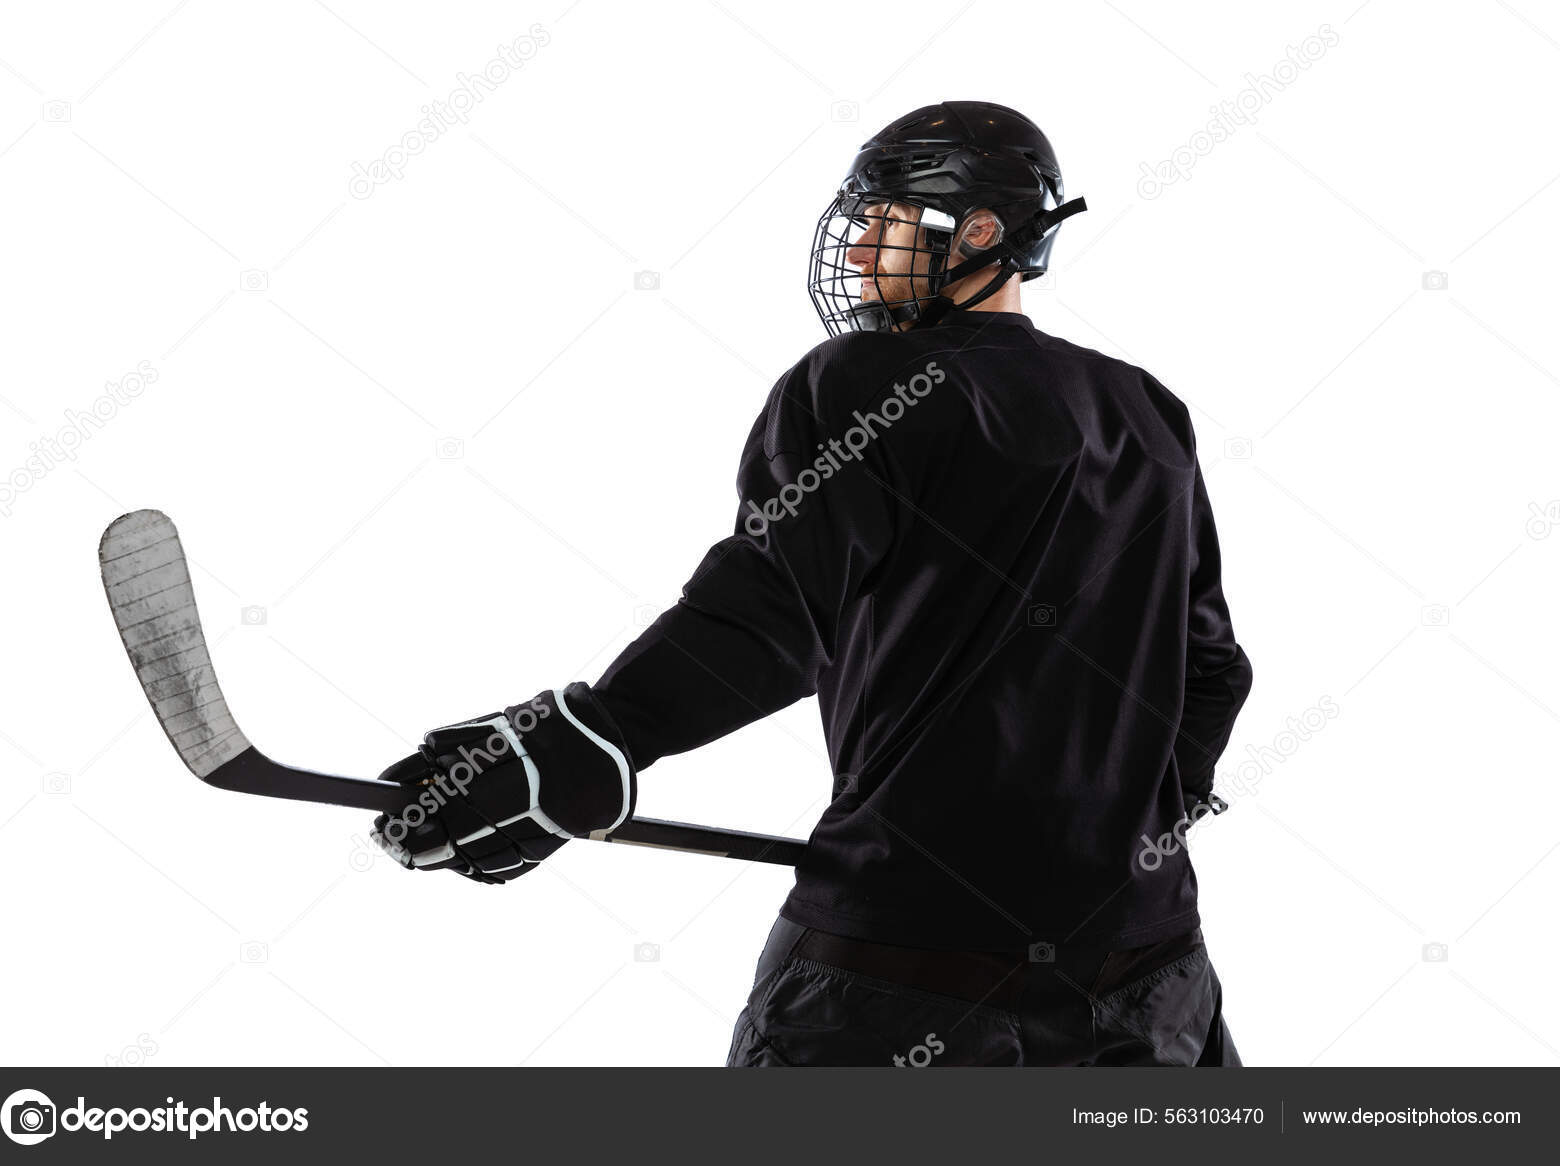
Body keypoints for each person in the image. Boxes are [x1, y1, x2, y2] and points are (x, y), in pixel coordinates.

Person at [371, 100, 1253, 1067]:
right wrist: (1121, 834)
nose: (863, 249)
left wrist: (583, 743)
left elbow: (767, 613)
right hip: (1148, 976)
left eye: (887, 222)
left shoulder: (869, 381)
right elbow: (1211, 670)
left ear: (982, 234)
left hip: (901, 978)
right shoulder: (1143, 407)